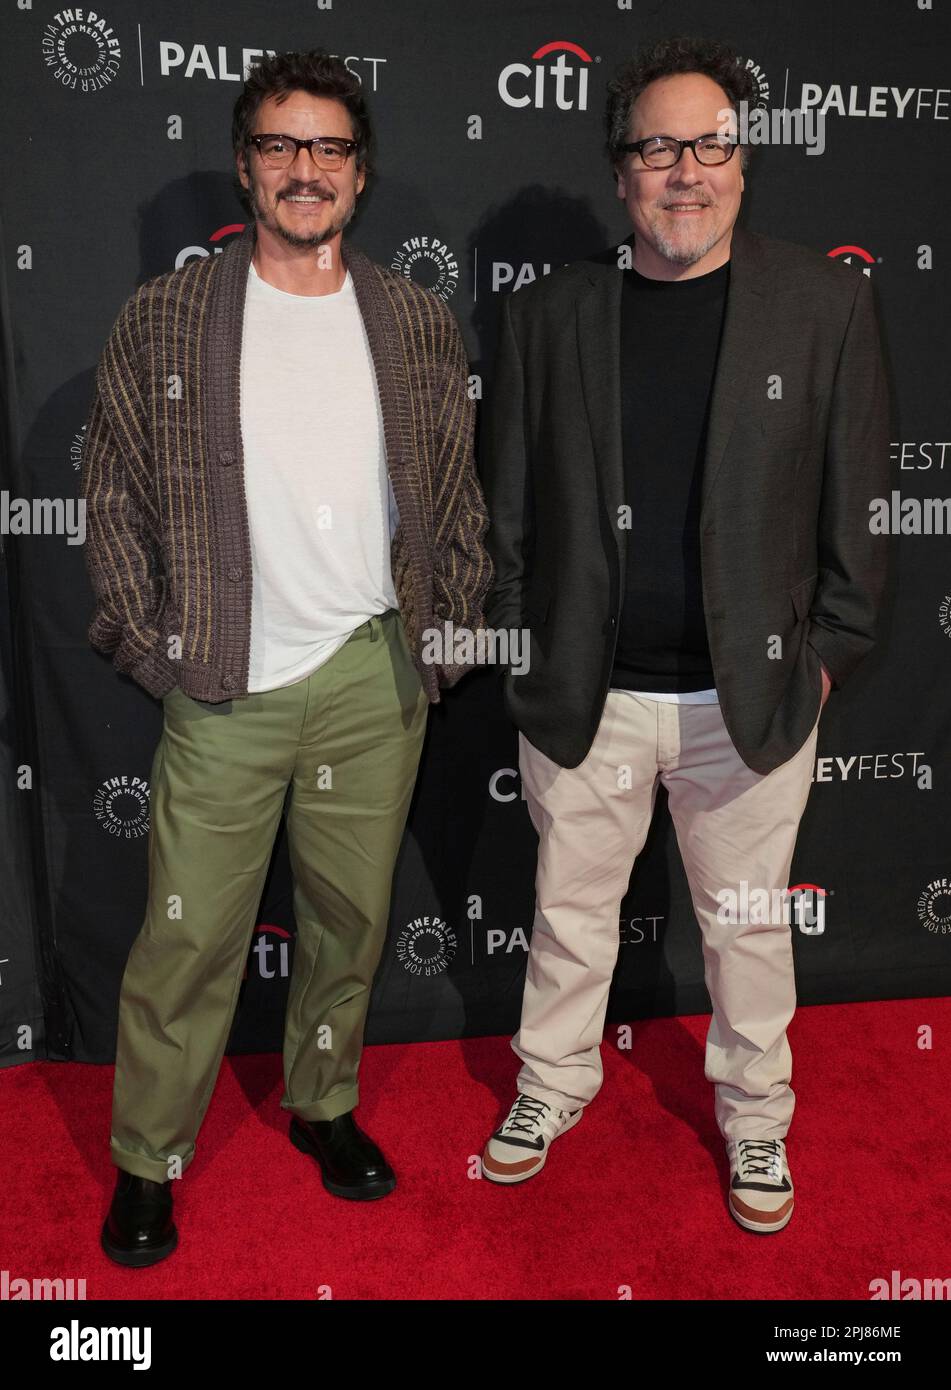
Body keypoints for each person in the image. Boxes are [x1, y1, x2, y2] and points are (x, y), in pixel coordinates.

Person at [82, 48, 492, 1267]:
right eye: (278, 145)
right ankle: (148, 1159)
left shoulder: (413, 318)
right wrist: (154, 648)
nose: (303, 170)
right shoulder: (167, 314)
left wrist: (445, 640)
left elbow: (459, 501)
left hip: (373, 678)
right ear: (246, 165)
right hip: (224, 686)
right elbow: (107, 497)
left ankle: (323, 1105)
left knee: (349, 921)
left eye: (327, 149)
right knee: (185, 939)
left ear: (358, 177)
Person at [479, 35, 890, 1233]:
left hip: (750, 701)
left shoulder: (824, 305)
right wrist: (520, 650)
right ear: (622, 171)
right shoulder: (553, 316)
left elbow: (858, 515)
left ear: (744, 167)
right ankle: (551, 1085)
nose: (687, 171)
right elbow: (505, 511)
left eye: (712, 144)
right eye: (660, 146)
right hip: (584, 696)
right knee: (565, 917)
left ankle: (756, 1117)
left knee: (752, 931)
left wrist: (821, 662)